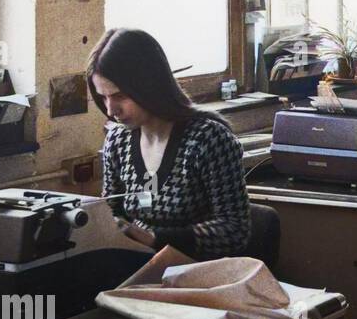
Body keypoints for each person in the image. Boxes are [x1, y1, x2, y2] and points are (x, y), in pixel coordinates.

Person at [88, 28, 250, 260]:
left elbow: (235, 231)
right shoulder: (117, 140)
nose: (111, 110)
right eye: (103, 97)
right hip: (139, 266)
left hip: (198, 273)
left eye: (120, 96)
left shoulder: (208, 140)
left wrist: (156, 238)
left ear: (149, 86)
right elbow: (111, 213)